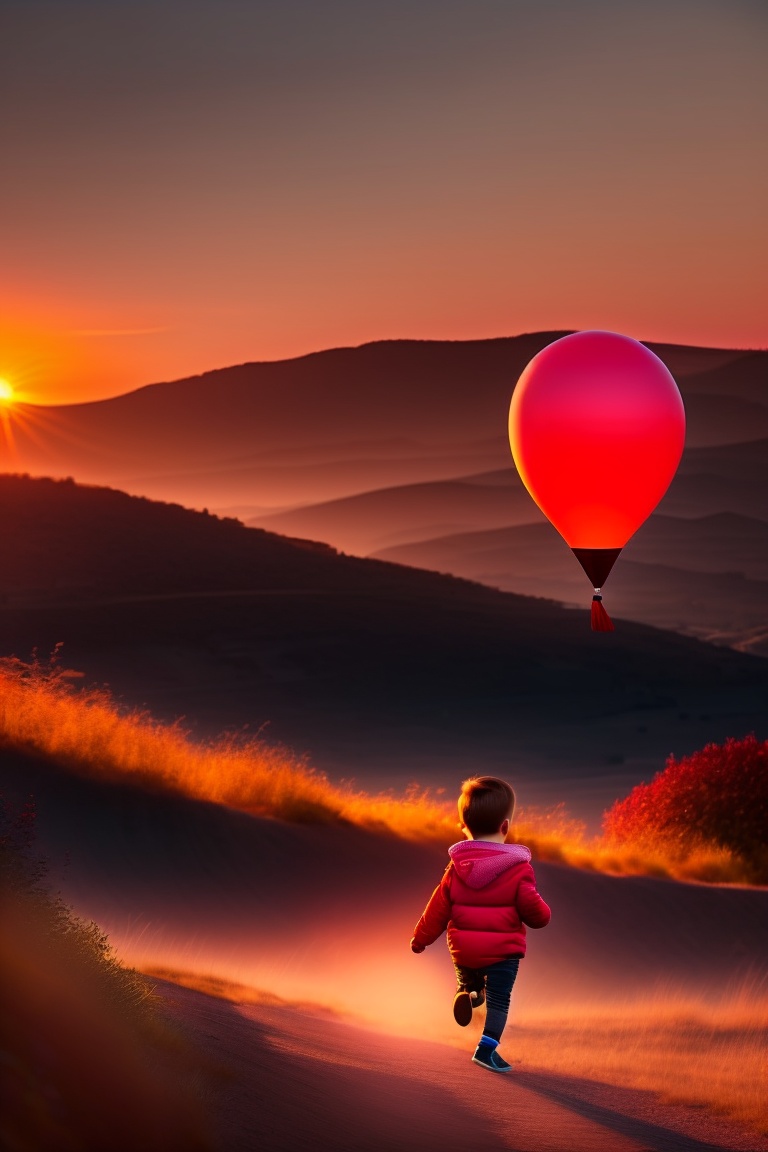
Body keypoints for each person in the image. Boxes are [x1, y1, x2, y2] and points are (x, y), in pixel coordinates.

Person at [410, 776, 551, 1073]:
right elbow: (534, 912)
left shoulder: (455, 868)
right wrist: (543, 914)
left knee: (473, 980)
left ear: (464, 828)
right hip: (502, 952)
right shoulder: (518, 869)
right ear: (505, 827)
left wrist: (420, 939)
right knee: (500, 1000)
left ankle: (469, 991)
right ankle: (486, 1051)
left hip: (463, 950)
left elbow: (437, 907)